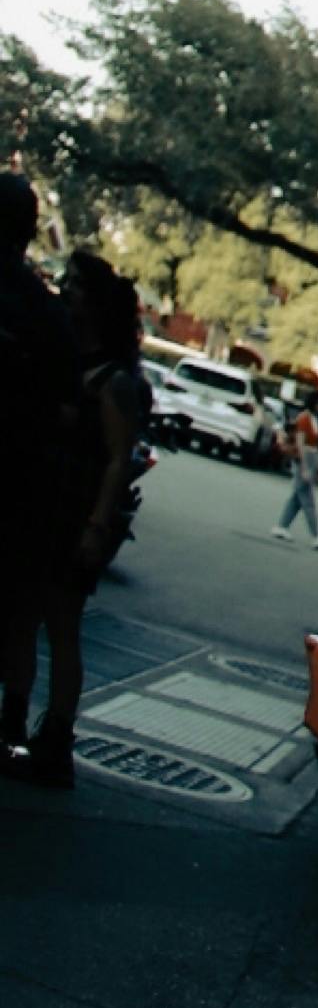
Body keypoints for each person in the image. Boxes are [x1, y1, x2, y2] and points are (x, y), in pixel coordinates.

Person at [5, 256, 147, 791]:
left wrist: (97, 524)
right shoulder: (68, 361)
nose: (67, 293)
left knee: (62, 626)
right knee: (23, 618)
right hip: (44, 506)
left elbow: (117, 458)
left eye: (78, 287)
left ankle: (56, 737)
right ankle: (13, 722)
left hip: (76, 512)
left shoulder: (112, 380)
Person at [0, 173, 84, 779]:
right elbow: (66, 412)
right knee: (15, 618)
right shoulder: (46, 314)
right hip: (19, 488)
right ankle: (9, 726)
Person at [276, 398, 318, 539]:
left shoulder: (316, 420)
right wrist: (304, 467)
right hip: (303, 459)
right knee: (308, 499)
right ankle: (316, 536)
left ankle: (282, 526)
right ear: (314, 404)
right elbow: (300, 443)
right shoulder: (304, 419)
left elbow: (316, 446)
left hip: (311, 458)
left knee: (297, 498)